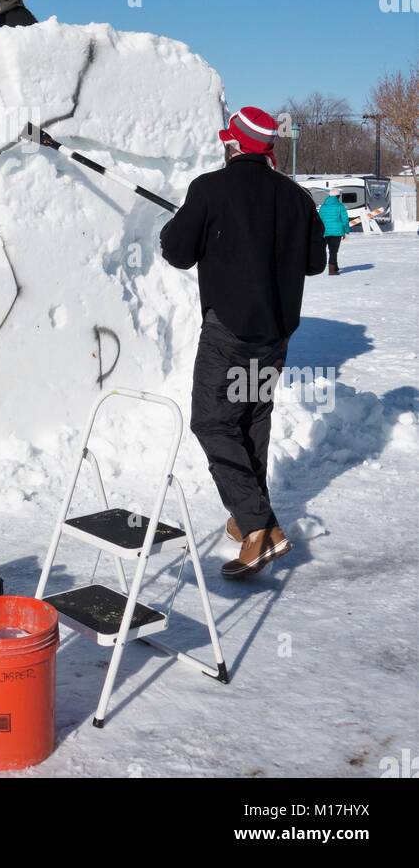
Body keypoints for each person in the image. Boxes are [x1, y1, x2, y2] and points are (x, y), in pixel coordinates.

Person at [160, 106, 326, 579]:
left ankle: (258, 525)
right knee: (252, 420)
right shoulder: (295, 197)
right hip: (274, 336)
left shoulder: (209, 189)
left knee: (212, 423)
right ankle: (252, 519)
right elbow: (314, 262)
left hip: (227, 334)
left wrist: (182, 228)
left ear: (233, 144)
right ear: (268, 148)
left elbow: (176, 251)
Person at [317, 190, 350, 274]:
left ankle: (335, 267)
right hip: (337, 232)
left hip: (325, 232)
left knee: (330, 250)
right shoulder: (340, 206)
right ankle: (332, 270)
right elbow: (345, 220)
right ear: (338, 196)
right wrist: (346, 231)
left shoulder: (323, 206)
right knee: (333, 250)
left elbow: (319, 220)